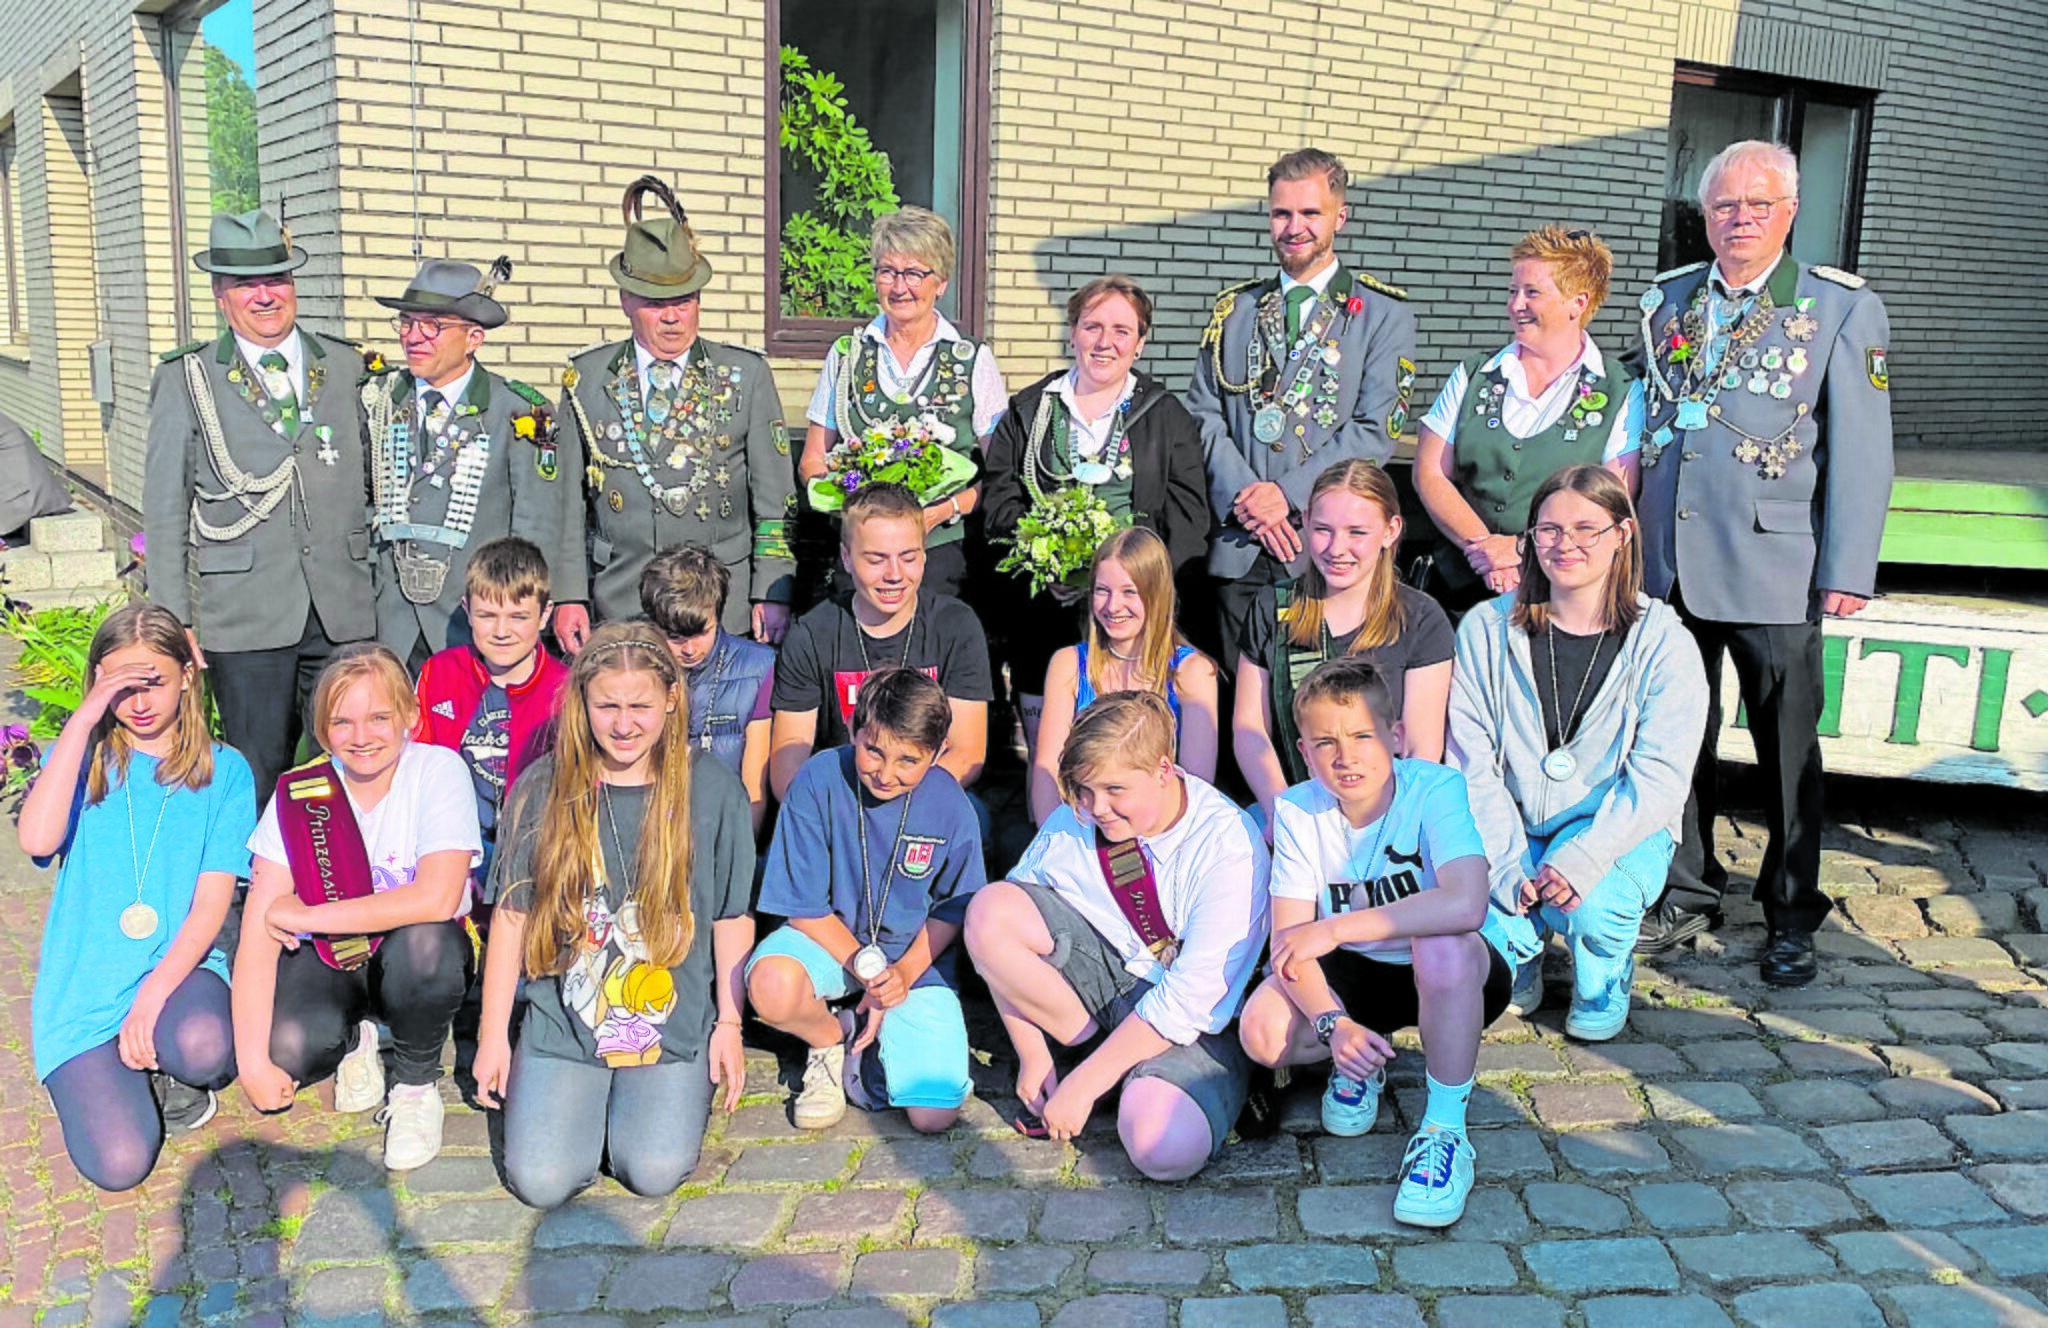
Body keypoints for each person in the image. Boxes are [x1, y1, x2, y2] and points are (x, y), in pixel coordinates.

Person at [1633, 140, 1894, 986]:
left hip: (1777, 563)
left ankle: (1791, 912)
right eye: (1722, 206)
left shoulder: (1837, 308)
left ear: (1788, 213)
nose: (1739, 219)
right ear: (1702, 216)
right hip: (1671, 562)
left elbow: (1862, 448)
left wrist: (1847, 566)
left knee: (1787, 750)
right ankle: (1685, 889)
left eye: (1757, 204)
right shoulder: (1670, 300)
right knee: (1677, 740)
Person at [473, 622, 756, 1208]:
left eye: (640, 706)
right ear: (583, 703)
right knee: (541, 1181)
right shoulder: (543, 786)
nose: (623, 724)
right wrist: (493, 1036)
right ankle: (578, 1106)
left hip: (668, 1023)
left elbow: (731, 913)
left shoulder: (712, 788)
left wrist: (730, 1022)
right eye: (607, 706)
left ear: (671, 700)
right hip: (565, 1022)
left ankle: (622, 1112)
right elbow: (512, 917)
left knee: (651, 1170)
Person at [1237, 657, 1505, 1228]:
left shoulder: (1435, 788)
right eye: (1325, 742)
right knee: (1261, 1032)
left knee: (1441, 941)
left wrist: (1335, 926)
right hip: (1354, 976)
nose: (1345, 756)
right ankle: (1362, 1054)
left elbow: (1466, 902)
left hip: (1448, 971)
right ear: (1304, 753)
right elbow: (1289, 944)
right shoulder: (1296, 810)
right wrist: (1335, 1026)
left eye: (1362, 735)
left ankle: (1444, 1130)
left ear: (1397, 736)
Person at [1449, 465, 1708, 1039]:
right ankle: (1521, 955)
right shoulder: (1485, 631)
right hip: (1511, 824)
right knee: (1479, 917)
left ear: (1623, 534)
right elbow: (1471, 764)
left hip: (1611, 828)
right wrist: (1506, 862)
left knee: (1589, 906)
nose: (1566, 545)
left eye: (1587, 529)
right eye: (1549, 530)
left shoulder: (1664, 643)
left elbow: (1660, 779)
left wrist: (1584, 858)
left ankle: (1603, 973)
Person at [965, 691, 1269, 1181]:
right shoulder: (1082, 813)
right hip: (1105, 986)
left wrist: (1085, 1084)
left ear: (1164, 770)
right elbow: (1000, 925)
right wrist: (1031, 1052)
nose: (1095, 808)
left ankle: (1135, 1082)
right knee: (989, 911)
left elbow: (1189, 1001)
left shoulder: (1228, 846)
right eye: (1083, 790)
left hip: (1195, 1020)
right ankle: (1100, 1065)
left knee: (1161, 1149)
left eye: (1114, 791)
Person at [143, 209, 376, 800]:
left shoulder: (346, 366)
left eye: (277, 279)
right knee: (257, 769)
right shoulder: (188, 377)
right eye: (247, 284)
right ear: (221, 294)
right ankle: (259, 888)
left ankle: (346, 887)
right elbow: (166, 507)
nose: (265, 296)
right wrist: (174, 620)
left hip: (343, 608)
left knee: (354, 764)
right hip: (246, 615)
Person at [20, 605, 254, 1191]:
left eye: (153, 682)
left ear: (186, 677)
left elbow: (211, 906)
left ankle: (169, 1069)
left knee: (204, 1048)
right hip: (89, 982)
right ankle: (113, 1079)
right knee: (120, 1164)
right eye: (121, 686)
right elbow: (37, 838)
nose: (140, 701)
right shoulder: (83, 760)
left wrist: (152, 996)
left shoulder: (224, 771)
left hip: (179, 968)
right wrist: (84, 720)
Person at [233, 644, 482, 1170]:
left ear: (410, 717)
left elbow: (437, 896)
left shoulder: (438, 771)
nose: (361, 736)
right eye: (341, 722)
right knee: (291, 1050)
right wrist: (252, 1061)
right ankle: (358, 1036)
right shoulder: (302, 792)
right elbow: (260, 922)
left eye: (378, 717)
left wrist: (304, 915)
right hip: (335, 961)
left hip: (414, 956)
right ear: (322, 731)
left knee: (427, 940)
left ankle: (415, 1085)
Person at [1186, 148, 1419, 674]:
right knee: (1234, 716)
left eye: (1310, 213)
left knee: (1316, 706)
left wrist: (1285, 498)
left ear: (1340, 215)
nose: (1294, 227)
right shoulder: (1236, 310)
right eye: (1281, 213)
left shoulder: (1382, 315)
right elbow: (1203, 414)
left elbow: (1374, 430)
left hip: (1319, 549)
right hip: (1240, 543)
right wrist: (1250, 500)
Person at [556, 176, 795, 649]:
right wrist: (568, 594)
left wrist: (773, 589)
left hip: (718, 606)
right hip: (621, 602)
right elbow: (567, 503)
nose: (672, 317)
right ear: (626, 301)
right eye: (656, 303)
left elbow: (776, 498)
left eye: (683, 301)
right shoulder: (586, 379)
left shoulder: (745, 376)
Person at [748, 668, 984, 1131]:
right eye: (873, 750)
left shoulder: (950, 803)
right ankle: (829, 1039)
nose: (886, 772)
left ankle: (874, 1049)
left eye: (908, 760)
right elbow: (802, 905)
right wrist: (866, 970)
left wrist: (899, 978)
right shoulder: (818, 778)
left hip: (909, 958)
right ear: (854, 730)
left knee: (933, 1116)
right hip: (829, 943)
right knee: (771, 986)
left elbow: (953, 907)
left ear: (937, 755)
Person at [982, 274, 1211, 735]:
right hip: (1047, 610)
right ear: (1073, 334)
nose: (1105, 342)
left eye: (1122, 331)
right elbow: (999, 506)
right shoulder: (1028, 411)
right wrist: (1046, 567)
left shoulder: (1168, 417)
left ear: (1140, 344)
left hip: (1133, 613)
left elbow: (1189, 519)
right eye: (1092, 327)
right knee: (1050, 745)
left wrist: (1137, 585)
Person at [1413, 225, 1644, 613]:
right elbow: (1430, 472)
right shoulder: (1476, 373)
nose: (1515, 304)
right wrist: (1484, 549)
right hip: (1458, 588)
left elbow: (1610, 501)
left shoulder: (1621, 389)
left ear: (1578, 302)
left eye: (1532, 293)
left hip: (1557, 596)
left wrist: (1521, 548)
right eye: (1512, 291)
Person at [366, 258, 575, 668]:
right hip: (390, 623)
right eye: (407, 323)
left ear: (474, 337)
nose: (414, 337)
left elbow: (534, 531)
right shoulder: (378, 400)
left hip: (472, 626)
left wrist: (514, 624)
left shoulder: (517, 411)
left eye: (434, 326)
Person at [800, 206, 1009, 599]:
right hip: (862, 557)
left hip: (941, 555)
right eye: (887, 272)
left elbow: (998, 472)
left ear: (941, 282)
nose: (899, 287)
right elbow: (813, 458)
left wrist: (938, 513)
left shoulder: (971, 358)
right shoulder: (847, 354)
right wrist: (847, 501)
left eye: (914, 273)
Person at [1234, 460, 1454, 826]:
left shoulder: (1420, 617)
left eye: (1357, 532)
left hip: (1388, 819)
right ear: (1303, 521)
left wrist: (1392, 827)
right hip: (1295, 810)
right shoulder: (1272, 606)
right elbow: (1250, 728)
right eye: (1323, 529)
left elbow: (1420, 747)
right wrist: (1281, 812)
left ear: (1390, 530)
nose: (1337, 548)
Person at [770, 482, 993, 801]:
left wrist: (898, 811)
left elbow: (966, 754)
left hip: (925, 794)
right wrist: (838, 815)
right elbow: (788, 761)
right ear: (846, 558)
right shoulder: (812, 634)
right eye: (876, 560)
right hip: (839, 799)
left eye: (908, 557)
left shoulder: (955, 625)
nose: (894, 574)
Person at [1028, 527, 1219, 825]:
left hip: (1163, 832)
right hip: (1085, 824)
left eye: (1130, 592)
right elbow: (1047, 771)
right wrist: (1055, 846)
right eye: (1102, 591)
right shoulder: (1068, 665)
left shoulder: (1192, 672)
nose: (1113, 606)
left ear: (1156, 594)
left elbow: (1195, 786)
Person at [411, 537, 570, 876]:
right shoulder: (439, 673)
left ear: (544, 615)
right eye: (487, 615)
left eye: (518, 617)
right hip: (452, 847)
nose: (501, 631)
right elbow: (414, 765)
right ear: (467, 610)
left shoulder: (566, 688)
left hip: (537, 851)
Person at [640, 544, 774, 834]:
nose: (689, 649)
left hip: (723, 828)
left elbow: (753, 791)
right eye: (674, 637)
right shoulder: (631, 666)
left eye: (701, 633)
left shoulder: (757, 669)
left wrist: (740, 859)